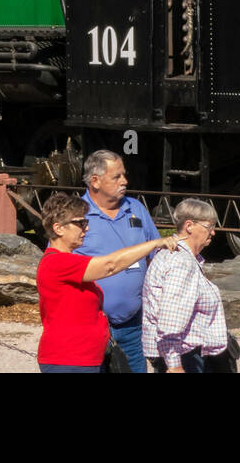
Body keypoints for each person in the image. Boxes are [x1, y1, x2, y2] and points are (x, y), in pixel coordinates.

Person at [36, 192, 177, 372]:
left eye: (86, 222)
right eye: (80, 223)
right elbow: (110, 265)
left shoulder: (66, 261)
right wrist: (154, 243)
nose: (86, 228)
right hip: (69, 361)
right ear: (59, 228)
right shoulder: (57, 263)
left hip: (85, 359)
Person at [75, 150, 163, 372]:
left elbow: (158, 256)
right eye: (117, 177)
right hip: (90, 327)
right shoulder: (75, 215)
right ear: (95, 181)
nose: (125, 181)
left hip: (133, 327)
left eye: (124, 175)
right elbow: (59, 265)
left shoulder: (136, 208)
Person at [142, 198, 229, 373]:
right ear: (189, 226)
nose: (213, 233)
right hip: (184, 357)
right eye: (209, 227)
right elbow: (170, 319)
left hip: (184, 353)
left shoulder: (182, 257)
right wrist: (174, 365)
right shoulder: (180, 262)